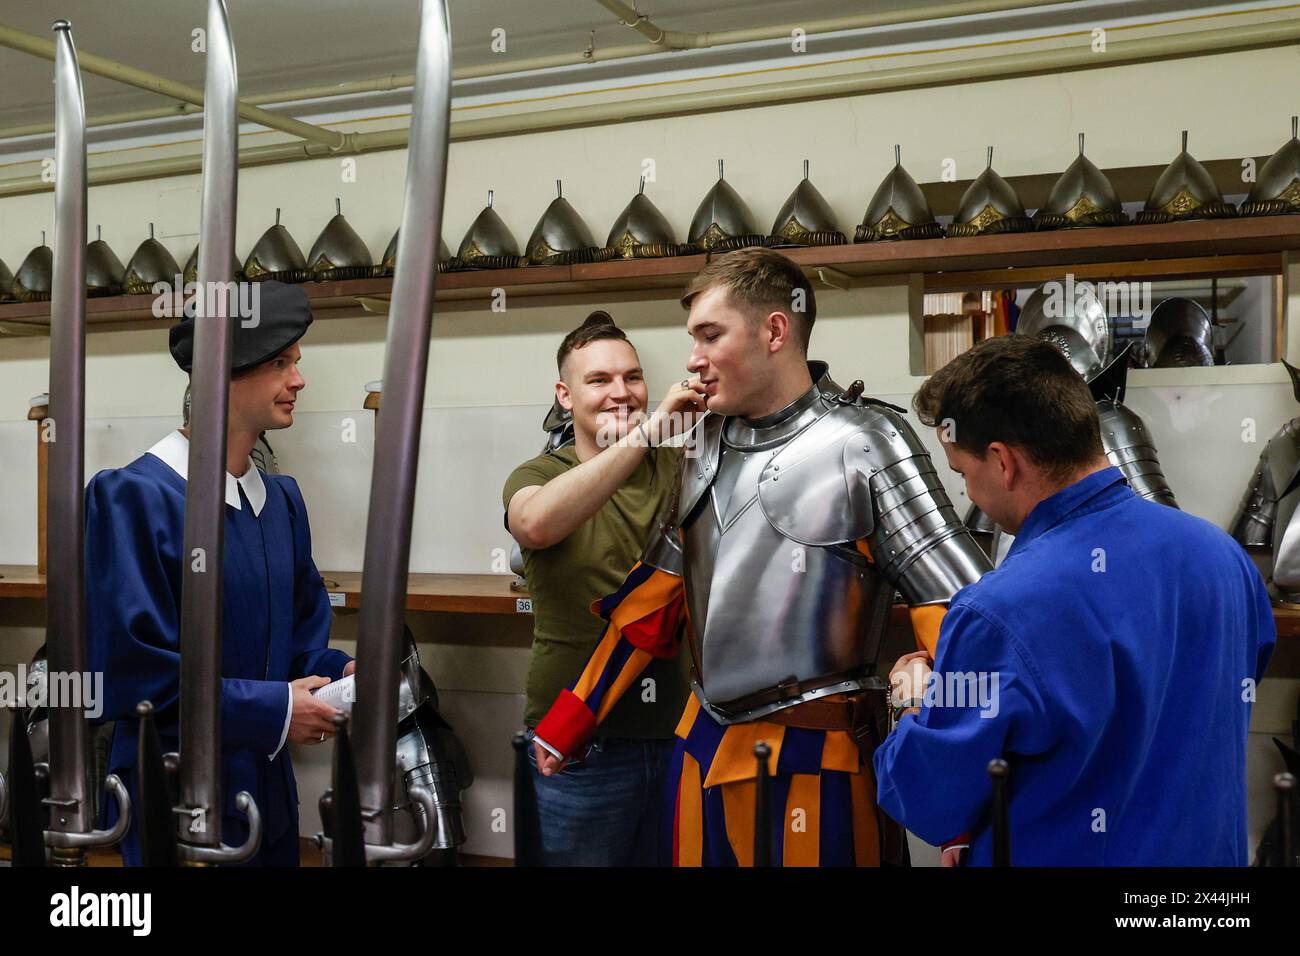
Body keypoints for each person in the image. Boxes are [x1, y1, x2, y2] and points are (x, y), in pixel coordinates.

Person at [532, 249, 990, 866]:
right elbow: (652, 605)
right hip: (702, 750)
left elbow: (962, 616)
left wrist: (966, 799)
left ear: (775, 330)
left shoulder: (865, 442)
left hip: (821, 759)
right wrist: (573, 718)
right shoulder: (701, 448)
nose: (692, 359)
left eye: (709, 335)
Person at [873, 335, 1276, 865]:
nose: (968, 492)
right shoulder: (1223, 559)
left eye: (962, 472)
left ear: (1001, 461)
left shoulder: (997, 612)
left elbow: (929, 800)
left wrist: (911, 701)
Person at [87, 280, 353, 866]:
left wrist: (343, 674)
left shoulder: (279, 501)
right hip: (178, 798)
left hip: (267, 799)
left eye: (296, 362)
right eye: (282, 362)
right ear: (225, 375)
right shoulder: (134, 498)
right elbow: (133, 680)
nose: (299, 380)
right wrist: (278, 710)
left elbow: (300, 644)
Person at [505, 311, 701, 865]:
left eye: (632, 378)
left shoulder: (682, 467)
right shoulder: (538, 474)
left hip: (678, 731)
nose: (622, 393)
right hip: (574, 746)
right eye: (599, 381)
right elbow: (537, 525)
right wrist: (649, 430)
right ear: (565, 395)